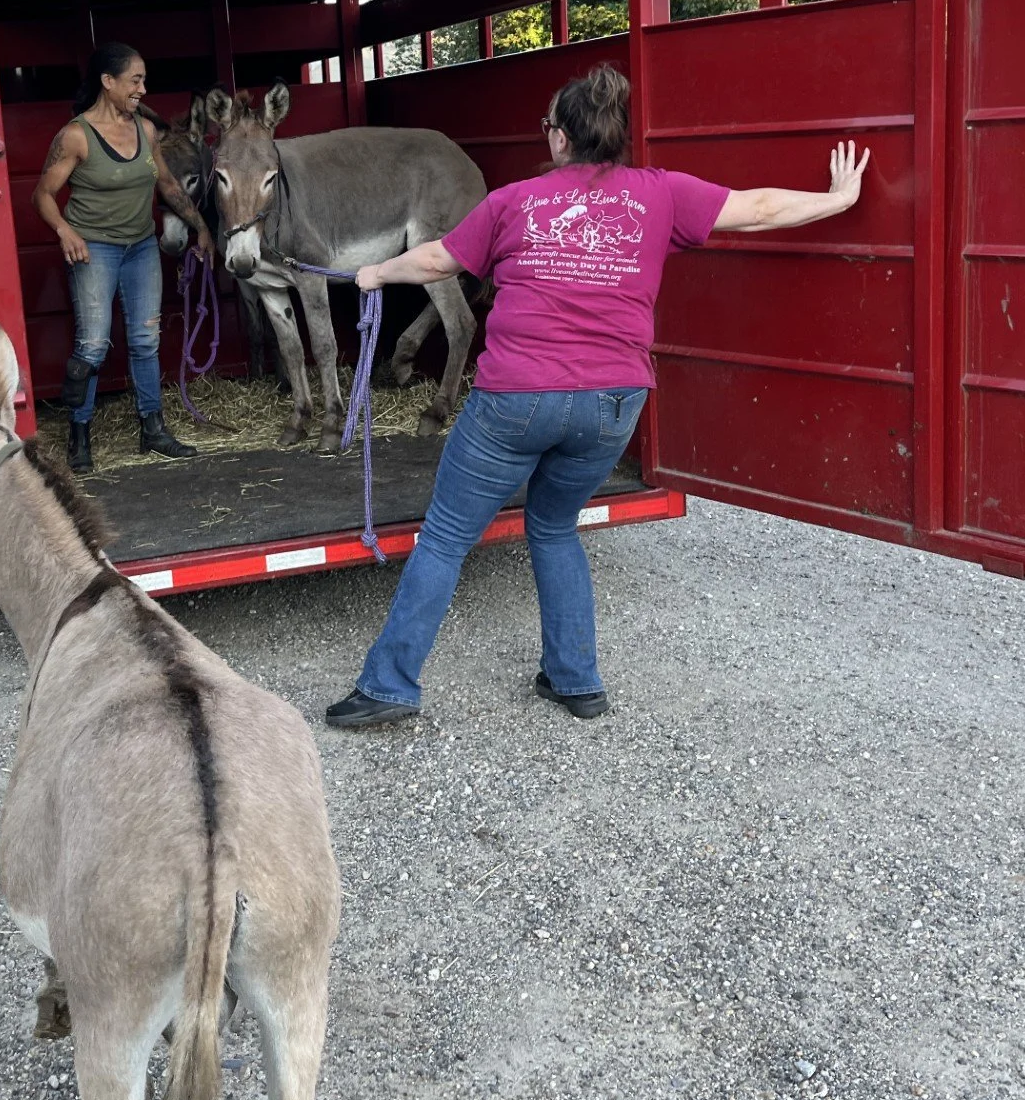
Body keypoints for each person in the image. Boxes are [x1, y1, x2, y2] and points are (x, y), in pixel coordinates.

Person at [325, 64, 868, 728]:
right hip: (614, 403)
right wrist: (837, 200)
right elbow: (758, 210)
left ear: (559, 138)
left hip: (516, 400)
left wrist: (375, 272)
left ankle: (389, 688)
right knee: (554, 527)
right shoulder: (663, 193)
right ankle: (575, 680)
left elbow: (439, 259)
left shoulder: (514, 201)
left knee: (444, 538)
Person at [33, 42, 212, 473]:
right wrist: (65, 230)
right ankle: (79, 434)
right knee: (93, 344)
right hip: (94, 249)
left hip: (141, 248)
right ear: (107, 81)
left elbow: (167, 185)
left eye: (143, 80)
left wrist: (201, 227)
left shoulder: (146, 131)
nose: (142, 89)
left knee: (145, 340)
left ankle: (153, 429)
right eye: (135, 80)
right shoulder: (76, 136)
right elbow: (42, 194)